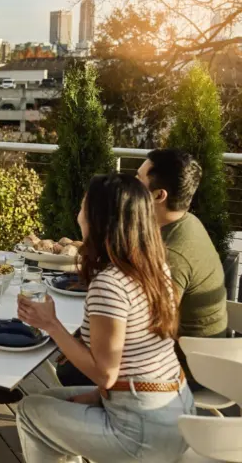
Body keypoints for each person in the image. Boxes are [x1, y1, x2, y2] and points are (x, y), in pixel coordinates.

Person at [16, 174, 193, 463]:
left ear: (100, 219)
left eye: (84, 207)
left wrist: (51, 324)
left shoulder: (109, 283)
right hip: (177, 408)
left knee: (28, 412)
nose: (78, 214)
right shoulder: (155, 267)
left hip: (142, 431)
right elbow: (133, 359)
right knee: (46, 399)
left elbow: (104, 373)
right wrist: (98, 396)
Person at [57, 149, 228, 390]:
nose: (132, 183)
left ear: (158, 195)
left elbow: (149, 326)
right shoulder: (184, 222)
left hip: (185, 369)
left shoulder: (170, 253)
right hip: (198, 357)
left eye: (139, 178)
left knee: (70, 367)